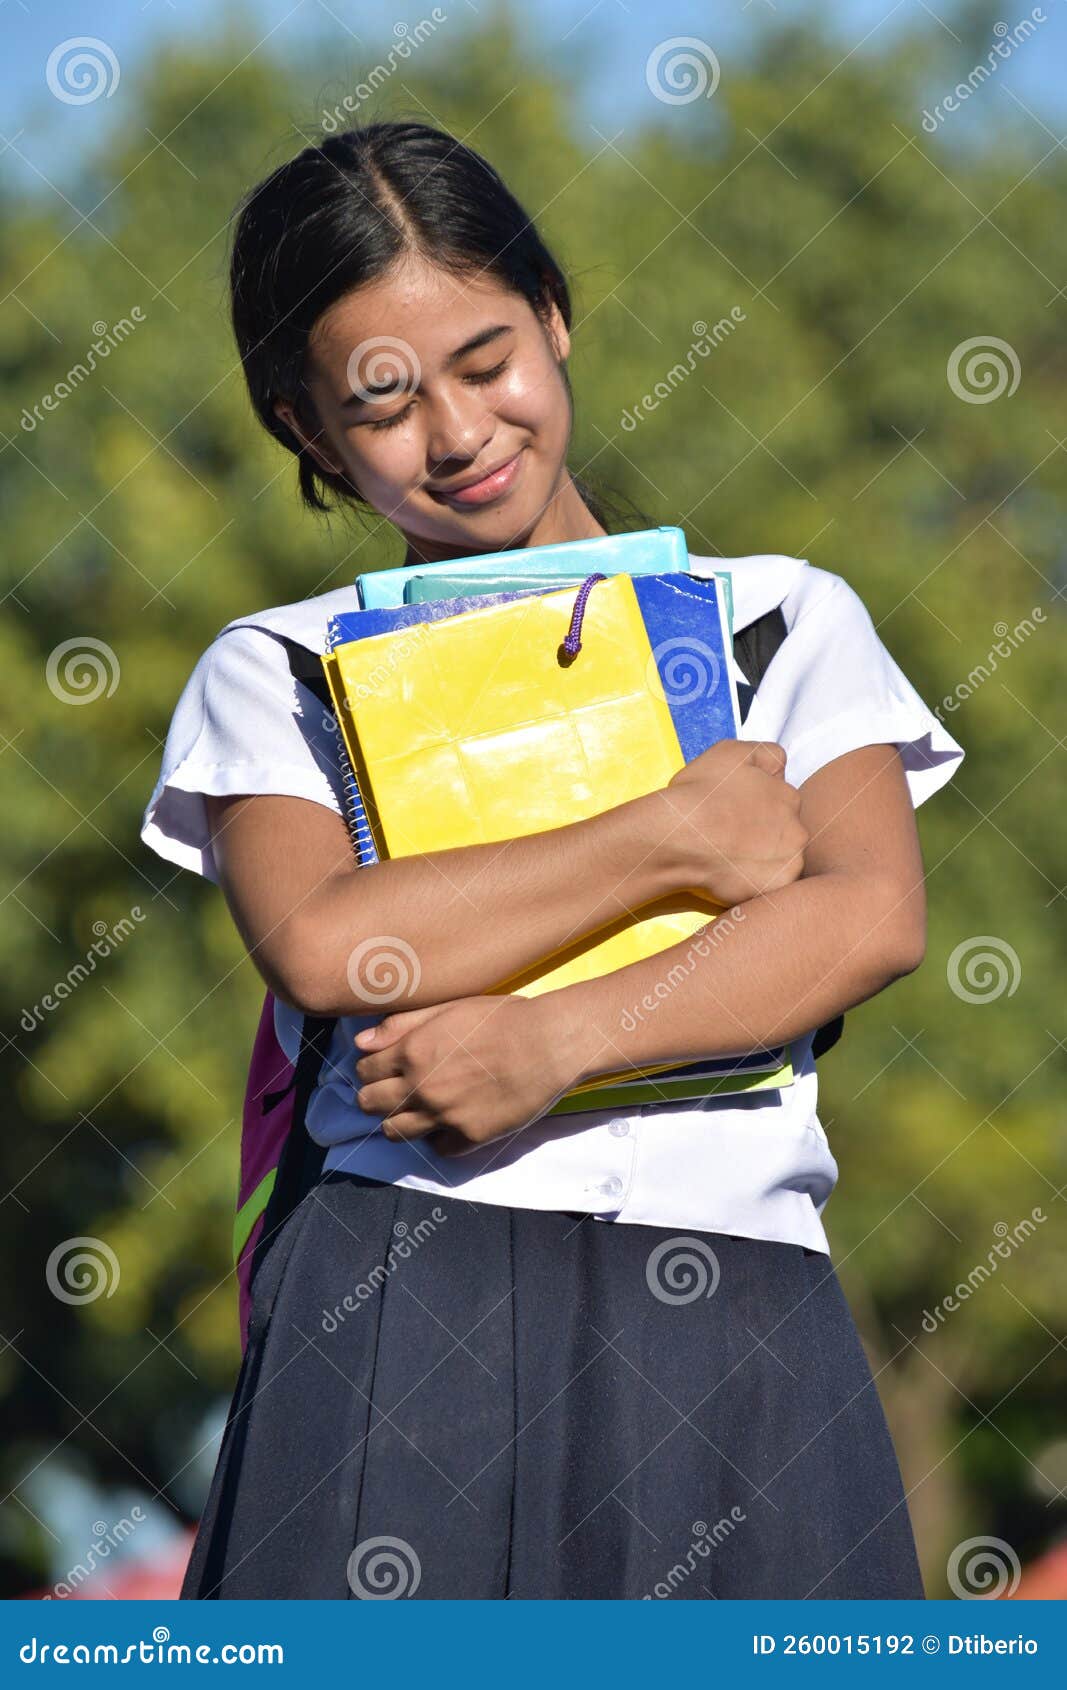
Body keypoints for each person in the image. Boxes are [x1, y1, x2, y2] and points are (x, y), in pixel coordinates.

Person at [140, 120, 964, 1600]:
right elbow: (334, 943)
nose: (458, 434)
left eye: (486, 357)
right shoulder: (280, 666)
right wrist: (671, 837)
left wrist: (553, 1041)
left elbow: (864, 917)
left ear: (556, 317)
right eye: (379, 400)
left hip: (737, 1326)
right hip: (397, 1305)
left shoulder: (780, 617)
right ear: (308, 431)